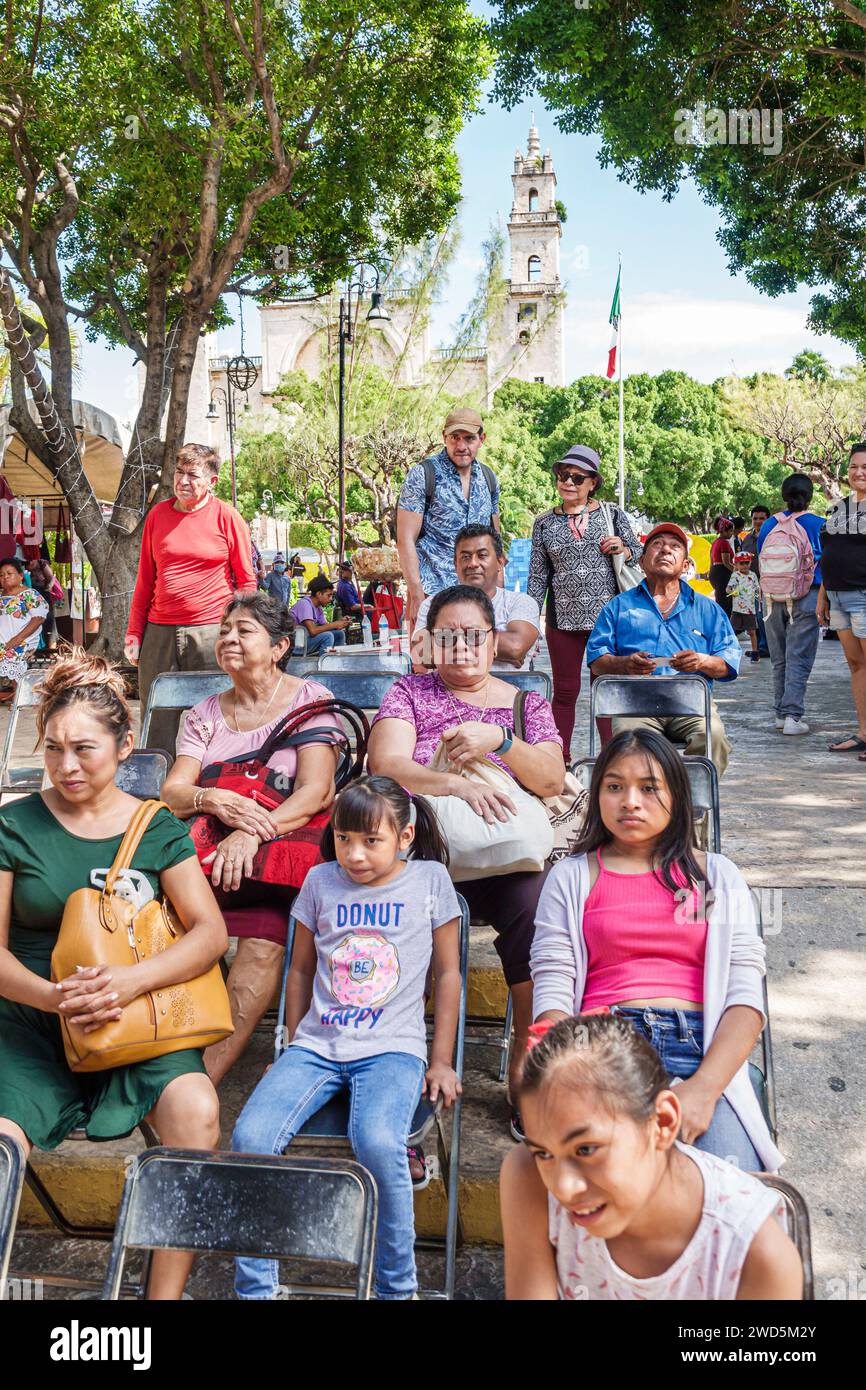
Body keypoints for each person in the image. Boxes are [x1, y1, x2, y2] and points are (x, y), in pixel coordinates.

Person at [0, 651, 226, 1300]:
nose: (67, 766)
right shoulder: (14, 826)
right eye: (53, 749)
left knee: (195, 1107)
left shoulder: (155, 827)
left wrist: (131, 982)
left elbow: (210, 934)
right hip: (32, 1024)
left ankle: (160, 1302)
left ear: (125, 746)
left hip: (140, 1021)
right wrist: (53, 997)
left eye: (84, 749)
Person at [232, 776, 462, 1301]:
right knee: (250, 1139)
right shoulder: (320, 881)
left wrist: (443, 1059)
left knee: (380, 1144)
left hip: (392, 1049)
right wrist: (287, 1042)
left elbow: (449, 975)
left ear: (405, 837)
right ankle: (256, 1290)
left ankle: (395, 1291)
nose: (354, 854)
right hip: (316, 1046)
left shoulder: (430, 881)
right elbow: (299, 970)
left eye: (371, 841)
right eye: (343, 839)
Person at [529, 727, 781, 1172]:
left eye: (649, 788)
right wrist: (562, 1071)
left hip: (703, 1050)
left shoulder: (711, 879)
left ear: (676, 796)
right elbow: (553, 987)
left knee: (727, 1191)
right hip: (604, 1048)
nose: (630, 801)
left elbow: (746, 996)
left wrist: (704, 1089)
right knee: (608, 1185)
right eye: (614, 787)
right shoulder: (572, 878)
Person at [367, 584, 564, 1126]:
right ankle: (391, 1063)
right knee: (393, 906)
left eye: (472, 636)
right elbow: (385, 764)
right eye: (447, 637)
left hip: (506, 853)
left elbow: (550, 777)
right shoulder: (410, 692)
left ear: (493, 639)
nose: (461, 648)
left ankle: (529, 1061)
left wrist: (498, 741)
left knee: (540, 912)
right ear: (430, 643)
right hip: (426, 851)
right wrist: (454, 786)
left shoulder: (527, 703)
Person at [161, 593, 341, 1084]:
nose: (229, 639)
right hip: (207, 863)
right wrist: (211, 801)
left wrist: (250, 834)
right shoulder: (203, 715)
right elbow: (175, 790)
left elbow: (315, 792)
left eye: (244, 630)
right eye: (224, 631)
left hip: (274, 868)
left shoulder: (310, 701)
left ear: (280, 646)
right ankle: (164, 1071)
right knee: (174, 935)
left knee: (263, 945)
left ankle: (198, 1085)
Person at [500, 1015, 802, 1300]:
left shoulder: (755, 1253)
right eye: (544, 1152)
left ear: (664, 1122)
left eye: (586, 1149)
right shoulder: (529, 1177)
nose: (564, 1188)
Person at [124, 443, 256, 751]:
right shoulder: (157, 516)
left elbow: (247, 581)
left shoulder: (227, 517)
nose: (183, 481)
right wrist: (133, 632)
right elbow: (145, 579)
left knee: (217, 715)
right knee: (157, 716)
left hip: (212, 631)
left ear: (212, 481)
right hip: (159, 632)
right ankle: (158, 788)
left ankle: (216, 781)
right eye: (178, 472)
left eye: (192, 475)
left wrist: (244, 631)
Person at [586, 523, 740, 778]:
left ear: (686, 565)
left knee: (713, 739)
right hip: (635, 704)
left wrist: (701, 662)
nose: (665, 550)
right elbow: (596, 661)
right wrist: (625, 664)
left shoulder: (708, 609)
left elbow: (729, 662)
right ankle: (650, 811)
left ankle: (690, 812)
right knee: (629, 745)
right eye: (657, 545)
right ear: (643, 561)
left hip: (692, 704)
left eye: (675, 546)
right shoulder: (618, 606)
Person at [527, 445, 641, 753]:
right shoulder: (543, 523)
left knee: (604, 689)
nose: (568, 483)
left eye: (577, 478)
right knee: (565, 691)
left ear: (593, 483)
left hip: (607, 621)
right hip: (561, 620)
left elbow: (639, 553)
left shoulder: (613, 515)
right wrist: (527, 621)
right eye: (563, 475)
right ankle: (556, 757)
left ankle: (612, 757)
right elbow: (538, 577)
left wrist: (624, 548)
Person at [397, 408, 500, 632]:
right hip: (431, 595)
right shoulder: (423, 474)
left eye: (469, 438)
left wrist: (501, 603)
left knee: (471, 663)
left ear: (482, 439)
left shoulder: (489, 479)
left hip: (476, 600)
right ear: (444, 437)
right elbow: (405, 539)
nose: (461, 446)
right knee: (426, 662)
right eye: (455, 437)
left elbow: (495, 545)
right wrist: (416, 595)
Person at [412, 523, 540, 671]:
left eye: (482, 555)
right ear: (455, 564)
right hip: (448, 692)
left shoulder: (520, 603)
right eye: (465, 557)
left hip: (508, 691)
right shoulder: (432, 604)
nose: (473, 563)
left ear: (500, 562)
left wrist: (444, 641)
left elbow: (515, 647)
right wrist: (496, 648)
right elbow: (422, 653)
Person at [757, 473, 824, 736]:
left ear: (784, 495)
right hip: (807, 596)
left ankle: (779, 713)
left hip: (771, 597)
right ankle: (793, 717)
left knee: (779, 658)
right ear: (809, 496)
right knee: (799, 657)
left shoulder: (768, 525)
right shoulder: (819, 525)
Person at [820, 444, 866, 757]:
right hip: (837, 596)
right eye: (853, 466)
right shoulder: (840, 507)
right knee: (856, 665)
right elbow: (829, 555)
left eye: (865, 467)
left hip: (864, 596)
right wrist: (823, 596)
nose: (858, 472)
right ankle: (864, 732)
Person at [0, 556, 48, 701]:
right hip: (3, 639)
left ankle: (19, 697)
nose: (5, 577)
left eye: (9, 573)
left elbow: (38, 618)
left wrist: (17, 639)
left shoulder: (29, 594)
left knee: (12, 654)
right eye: (1, 575)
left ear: (21, 576)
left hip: (23, 639)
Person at [738, 505, 771, 656]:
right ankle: (758, 648)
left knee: (763, 616)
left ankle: (767, 647)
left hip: (768, 583)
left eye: (761, 519)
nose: (758, 521)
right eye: (755, 518)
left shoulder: (773, 537)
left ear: (768, 519)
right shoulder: (746, 539)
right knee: (753, 617)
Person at [288, 575, 349, 656]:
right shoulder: (305, 604)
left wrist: (340, 623)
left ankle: (336, 660)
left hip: (306, 640)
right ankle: (325, 665)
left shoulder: (318, 608)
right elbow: (313, 631)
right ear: (319, 594)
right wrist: (334, 624)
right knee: (327, 636)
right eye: (328, 595)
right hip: (296, 645)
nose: (331, 599)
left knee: (339, 634)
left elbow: (325, 627)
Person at [727, 552, 761, 662]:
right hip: (737, 609)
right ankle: (730, 651)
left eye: (747, 562)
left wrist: (759, 600)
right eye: (742, 563)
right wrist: (732, 591)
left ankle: (755, 652)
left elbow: (757, 589)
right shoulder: (735, 575)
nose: (745, 565)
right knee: (732, 631)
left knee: (752, 632)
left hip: (750, 609)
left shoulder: (753, 575)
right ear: (736, 564)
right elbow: (728, 589)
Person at [28, 555, 60, 657]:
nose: (30, 562)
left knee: (49, 620)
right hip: (30, 598)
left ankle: (52, 651)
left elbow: (51, 578)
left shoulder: (42, 563)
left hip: (44, 595)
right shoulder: (22, 565)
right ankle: (35, 650)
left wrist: (49, 587)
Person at [709, 515, 736, 616]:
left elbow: (711, 560)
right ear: (723, 531)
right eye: (730, 531)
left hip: (715, 572)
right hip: (722, 573)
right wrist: (738, 572)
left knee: (720, 600)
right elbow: (726, 562)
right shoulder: (724, 543)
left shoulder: (715, 542)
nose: (731, 533)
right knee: (725, 603)